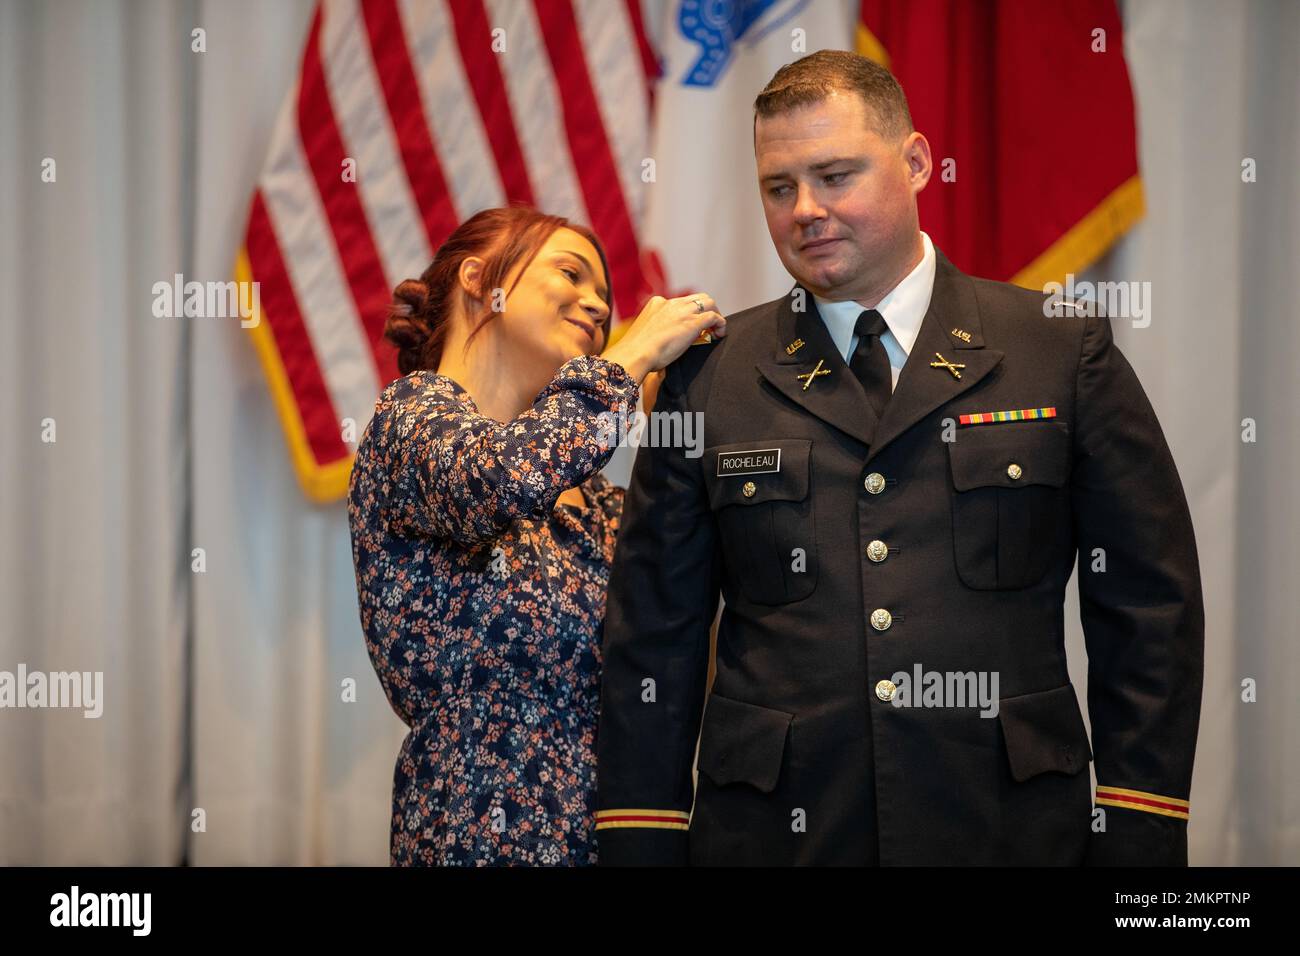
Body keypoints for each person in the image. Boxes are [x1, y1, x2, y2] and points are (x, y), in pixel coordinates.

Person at [595, 51, 1205, 866]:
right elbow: (655, 635)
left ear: (916, 162)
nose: (805, 210)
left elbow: (1149, 606)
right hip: (778, 834)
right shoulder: (711, 374)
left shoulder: (1058, 348)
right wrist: (643, 839)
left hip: (1009, 827)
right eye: (780, 188)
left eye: (835, 175)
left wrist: (1139, 829)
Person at [347, 204, 724, 865]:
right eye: (571, 274)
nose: (597, 305)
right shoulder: (409, 421)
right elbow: (498, 480)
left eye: (606, 298)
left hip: (614, 839)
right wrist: (631, 355)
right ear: (476, 278)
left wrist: (681, 441)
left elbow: (678, 643)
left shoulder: (602, 503)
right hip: (474, 835)